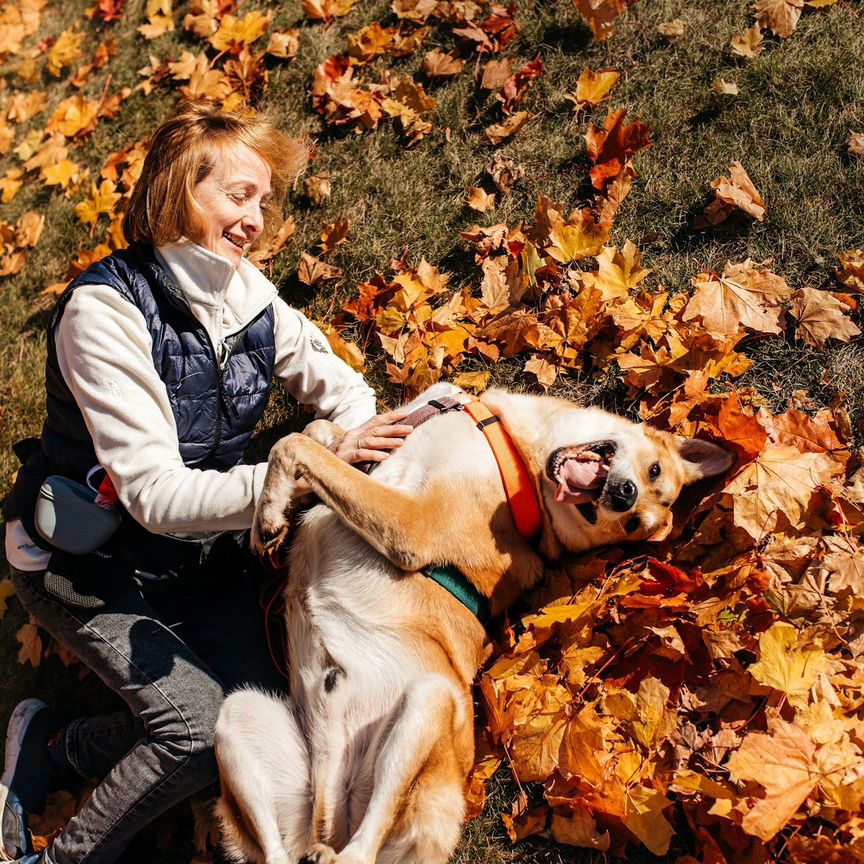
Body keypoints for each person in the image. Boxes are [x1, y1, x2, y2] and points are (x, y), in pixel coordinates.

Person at [0, 102, 412, 864]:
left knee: (262, 721)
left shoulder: (248, 295)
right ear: (175, 190)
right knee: (198, 736)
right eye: (236, 194)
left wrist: (336, 440)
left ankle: (56, 744)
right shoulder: (105, 312)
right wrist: (302, 471)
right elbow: (156, 497)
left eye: (263, 200)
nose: (256, 218)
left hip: (198, 559)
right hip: (90, 568)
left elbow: (347, 395)